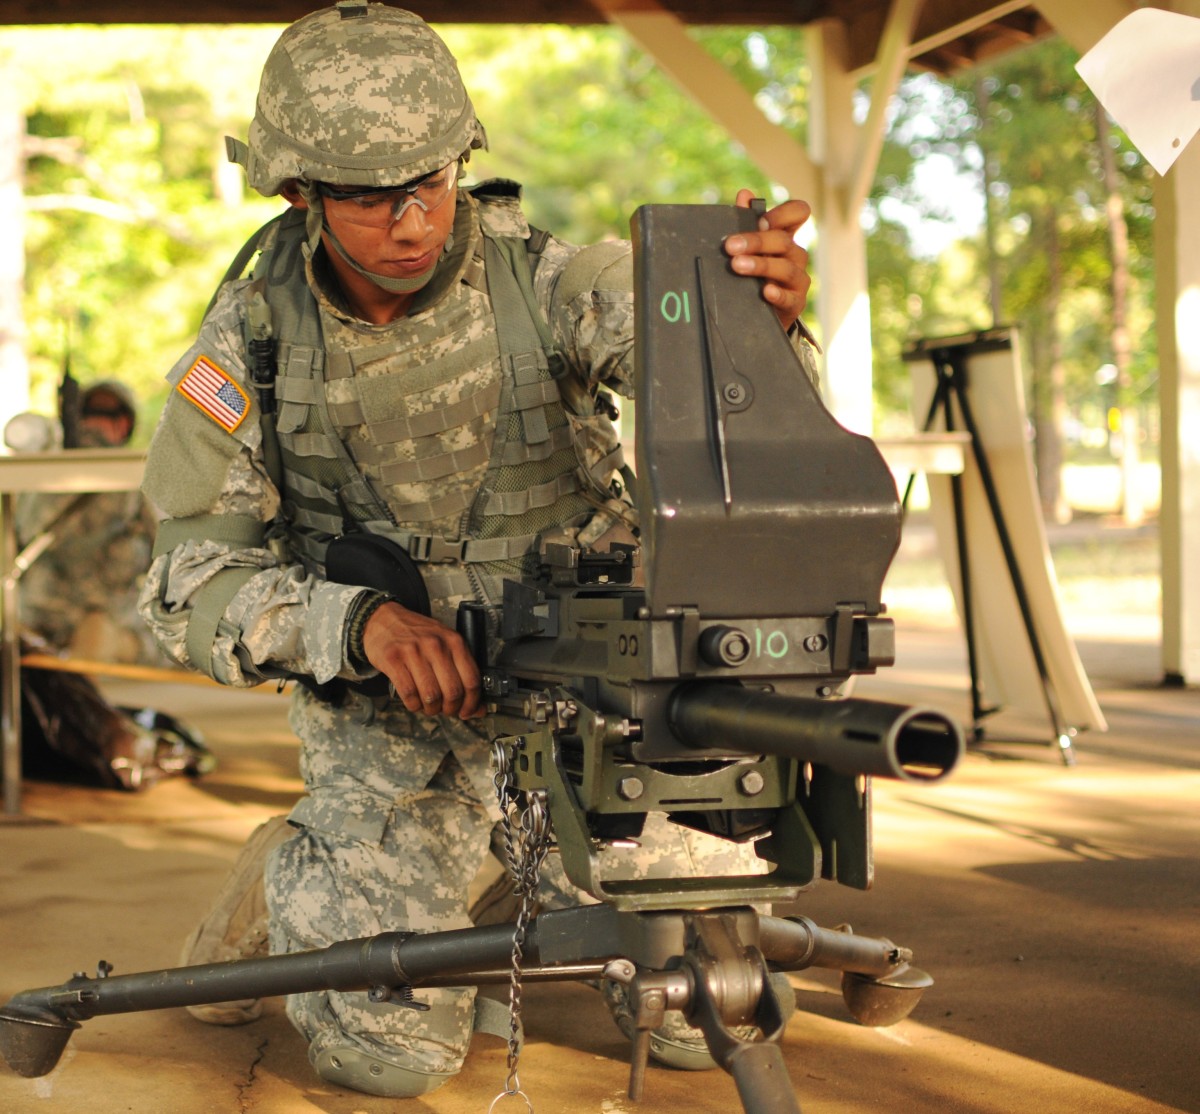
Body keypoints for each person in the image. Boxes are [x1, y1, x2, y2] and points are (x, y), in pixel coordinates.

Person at [138, 2, 816, 1098]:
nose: (412, 222)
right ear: (300, 191)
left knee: (707, 1013)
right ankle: (294, 869)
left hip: (594, 711)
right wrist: (352, 625)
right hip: (398, 726)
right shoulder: (248, 340)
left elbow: (715, 402)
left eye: (434, 179)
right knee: (388, 1056)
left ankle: (508, 872)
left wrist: (753, 330)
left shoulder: (552, 282)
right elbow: (181, 587)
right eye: (369, 196)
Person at [15, 380, 162, 666]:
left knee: (94, 643)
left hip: (106, 620)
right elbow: (19, 535)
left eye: (110, 415)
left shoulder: (137, 479)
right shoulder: (42, 472)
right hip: (40, 618)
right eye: (90, 412)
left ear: (125, 424)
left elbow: (166, 552)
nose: (97, 423)